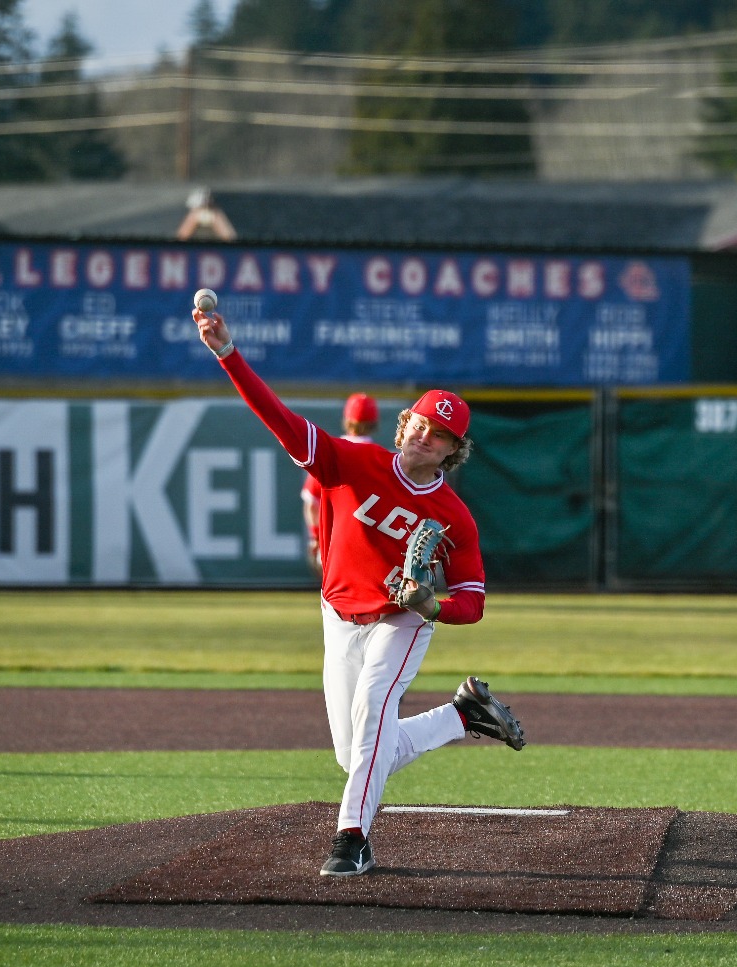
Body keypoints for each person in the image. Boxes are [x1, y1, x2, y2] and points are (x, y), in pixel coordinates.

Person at [194, 301, 526, 877]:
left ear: (454, 450)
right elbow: (280, 419)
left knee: (374, 706)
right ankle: (462, 717)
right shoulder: (349, 461)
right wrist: (228, 354)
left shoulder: (454, 516)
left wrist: (431, 605)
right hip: (339, 613)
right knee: (357, 757)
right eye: (420, 424)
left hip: (402, 620)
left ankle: (352, 839)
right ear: (405, 423)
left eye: (440, 435)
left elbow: (472, 601)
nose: (425, 436)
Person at [302, 392, 379, 571]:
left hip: (334, 543)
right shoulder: (382, 458)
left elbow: (311, 503)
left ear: (347, 420)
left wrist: (315, 537)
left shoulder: (329, 452)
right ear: (374, 423)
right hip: (369, 546)